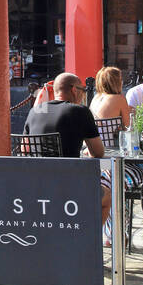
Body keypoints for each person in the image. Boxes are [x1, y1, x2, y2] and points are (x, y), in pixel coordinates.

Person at [23, 71, 110, 224]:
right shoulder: (79, 111)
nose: (83, 94)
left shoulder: (35, 111)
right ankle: (88, 241)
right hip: (69, 186)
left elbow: (24, 150)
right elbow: (98, 152)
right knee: (108, 197)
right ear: (74, 90)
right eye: (83, 90)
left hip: (35, 186)